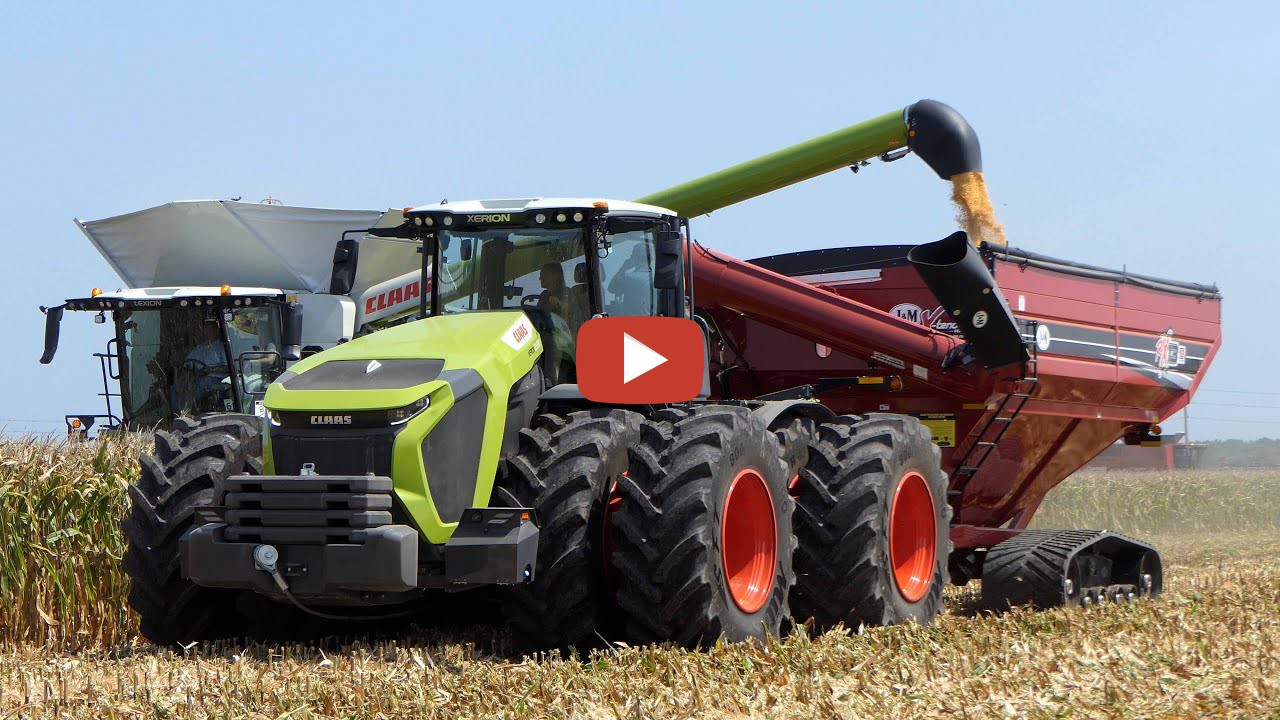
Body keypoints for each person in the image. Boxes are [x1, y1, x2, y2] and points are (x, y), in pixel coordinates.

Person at [185, 319, 228, 399]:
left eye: (210, 329)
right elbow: (188, 362)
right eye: (205, 329)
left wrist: (210, 370)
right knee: (180, 386)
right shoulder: (199, 348)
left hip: (218, 379)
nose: (207, 332)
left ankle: (190, 404)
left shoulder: (222, 347)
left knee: (202, 384)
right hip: (198, 377)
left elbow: (228, 367)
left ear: (216, 331)